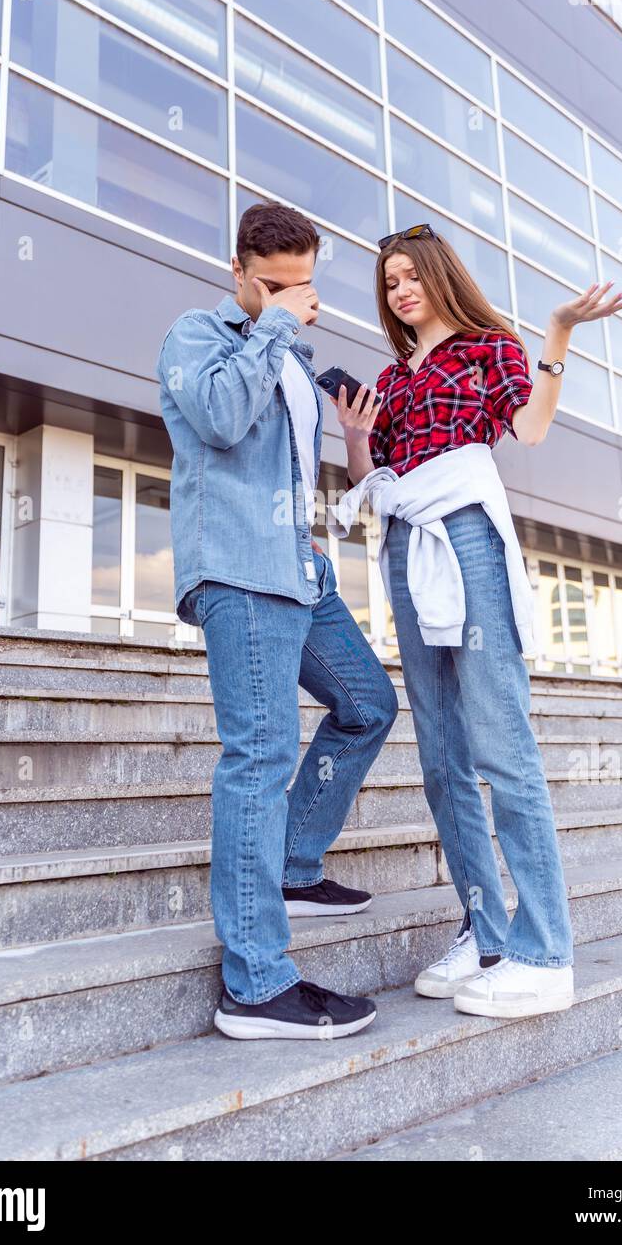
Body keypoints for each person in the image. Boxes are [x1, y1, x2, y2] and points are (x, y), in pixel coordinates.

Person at [327, 222, 622, 1019]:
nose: (399, 290)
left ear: (438, 275)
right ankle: (487, 934)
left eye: (409, 276)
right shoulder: (393, 378)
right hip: (405, 544)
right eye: (389, 281)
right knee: (442, 758)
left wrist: (557, 332)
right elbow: (377, 475)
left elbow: (528, 428)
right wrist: (356, 438)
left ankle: (544, 952)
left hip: (462, 532)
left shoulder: (488, 346)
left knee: (500, 740)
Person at [157, 201, 398, 1041]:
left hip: (298, 568)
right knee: (258, 755)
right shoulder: (199, 335)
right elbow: (220, 421)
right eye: (274, 287)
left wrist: (345, 434)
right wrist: (271, 334)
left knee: (368, 702)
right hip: (237, 570)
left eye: (305, 286)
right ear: (237, 272)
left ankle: (292, 865)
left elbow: (284, 467)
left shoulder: (289, 355)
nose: (294, 300)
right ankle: (255, 983)